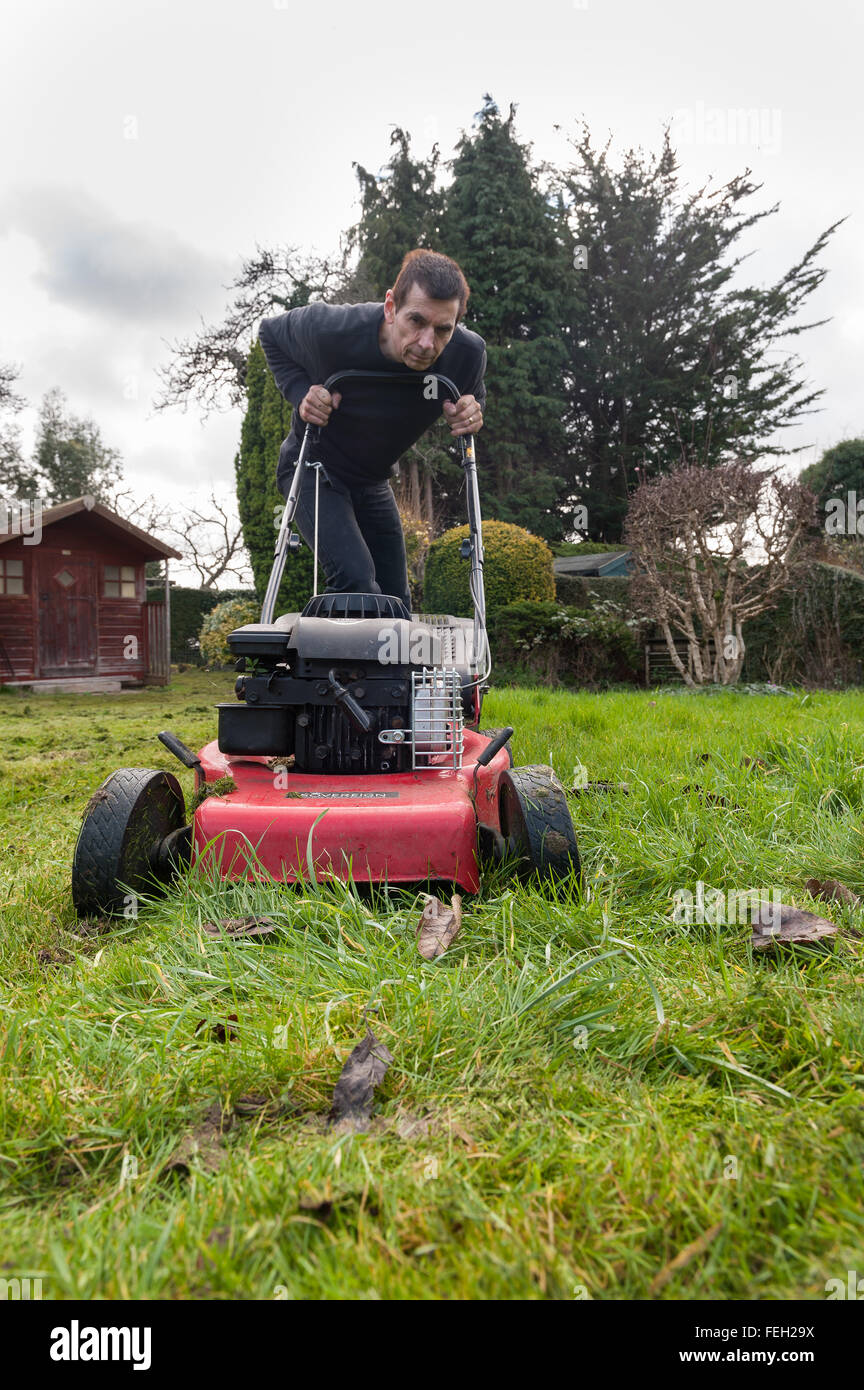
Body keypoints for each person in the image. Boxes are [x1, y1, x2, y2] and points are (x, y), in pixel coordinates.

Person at [258, 249, 486, 613]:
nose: (427, 343)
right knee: (357, 581)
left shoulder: (467, 355)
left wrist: (472, 414)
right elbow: (269, 334)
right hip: (315, 469)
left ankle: (388, 672)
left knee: (397, 599)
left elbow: (473, 397)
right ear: (391, 307)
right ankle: (335, 671)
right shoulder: (329, 329)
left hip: (372, 481)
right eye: (416, 321)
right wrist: (302, 395)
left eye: (443, 329)